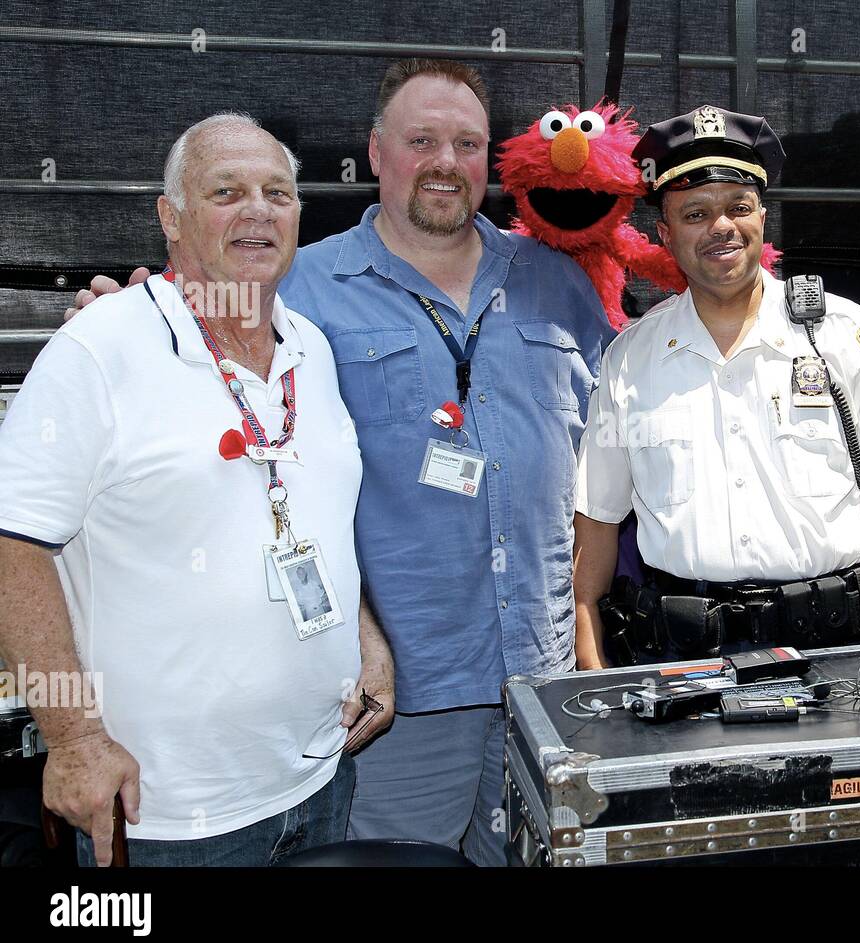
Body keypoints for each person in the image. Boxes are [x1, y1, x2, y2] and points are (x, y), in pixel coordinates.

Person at [66, 60, 611, 865]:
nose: (444, 161)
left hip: (542, 686)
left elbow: (614, 457)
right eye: (420, 139)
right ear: (376, 152)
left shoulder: (559, 285)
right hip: (390, 700)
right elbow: (191, 338)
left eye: (466, 143)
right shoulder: (297, 286)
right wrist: (125, 320)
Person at [0, 113, 393, 867]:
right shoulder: (98, 348)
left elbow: (318, 525)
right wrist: (75, 739)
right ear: (170, 218)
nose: (257, 210)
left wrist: (367, 642)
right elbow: (16, 545)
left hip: (318, 780)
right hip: (165, 815)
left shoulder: (311, 346)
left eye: (277, 192)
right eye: (227, 191)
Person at [572, 105, 860, 668]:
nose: (720, 227)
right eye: (695, 213)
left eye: (738, 208)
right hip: (686, 661)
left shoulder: (843, 334)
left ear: (761, 218)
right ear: (665, 233)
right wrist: (592, 667)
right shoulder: (631, 360)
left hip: (843, 652)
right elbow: (597, 523)